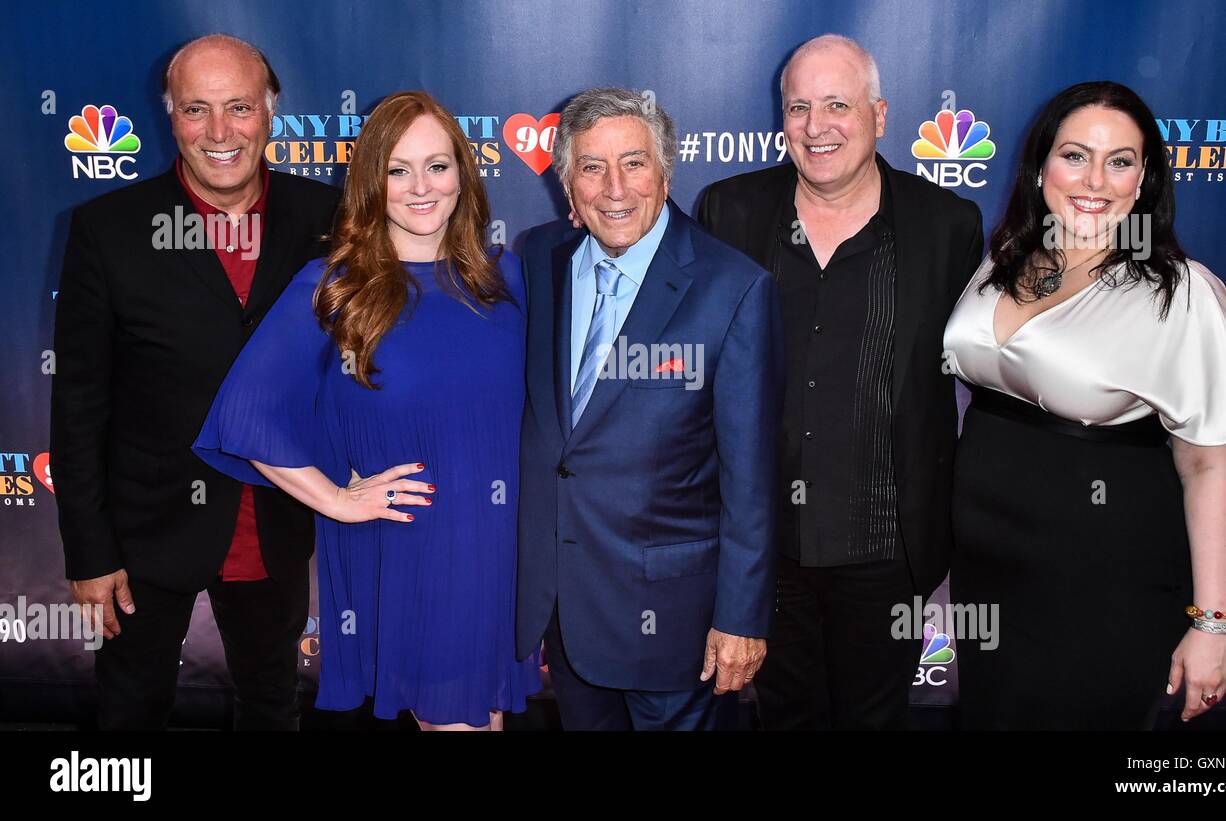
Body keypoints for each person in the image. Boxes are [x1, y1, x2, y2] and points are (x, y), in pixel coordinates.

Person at [193, 90, 539, 730]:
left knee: (486, 718)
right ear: (370, 183)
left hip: (501, 551)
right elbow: (246, 413)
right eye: (397, 170)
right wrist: (337, 498)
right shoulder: (336, 286)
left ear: (464, 172)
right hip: (413, 547)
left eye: (437, 165)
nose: (420, 188)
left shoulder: (507, 279)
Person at [942, 80, 1226, 729]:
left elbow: (1207, 468)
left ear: (1144, 177)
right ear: (1040, 166)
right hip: (990, 573)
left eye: (1119, 160)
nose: (1095, 178)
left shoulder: (1179, 293)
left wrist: (1214, 624)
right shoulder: (1005, 260)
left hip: (1106, 578)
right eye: (1075, 155)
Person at [52, 34, 340, 730]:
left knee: (272, 705)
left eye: (239, 107)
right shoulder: (108, 230)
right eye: (196, 110)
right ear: (170, 115)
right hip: (145, 535)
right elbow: (79, 404)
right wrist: (89, 552)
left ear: (271, 113)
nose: (219, 132)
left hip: (278, 518)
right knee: (131, 709)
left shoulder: (331, 220)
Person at [697, 34, 984, 729]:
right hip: (766, 547)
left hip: (889, 550)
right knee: (782, 718)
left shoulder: (946, 224)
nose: (816, 126)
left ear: (879, 115)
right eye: (799, 107)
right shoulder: (727, 213)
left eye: (837, 104)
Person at [515, 87, 783, 730]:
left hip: (674, 622)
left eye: (633, 163)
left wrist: (741, 617)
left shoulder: (732, 288)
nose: (615, 188)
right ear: (567, 183)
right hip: (565, 610)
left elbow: (752, 478)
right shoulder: (537, 258)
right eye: (591, 167)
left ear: (665, 173)